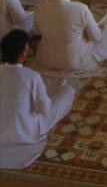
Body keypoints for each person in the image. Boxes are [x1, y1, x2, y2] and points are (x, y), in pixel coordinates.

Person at [0, 29, 75, 167]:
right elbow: (44, 109)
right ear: (23, 53)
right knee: (67, 92)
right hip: (26, 133)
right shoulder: (30, 76)